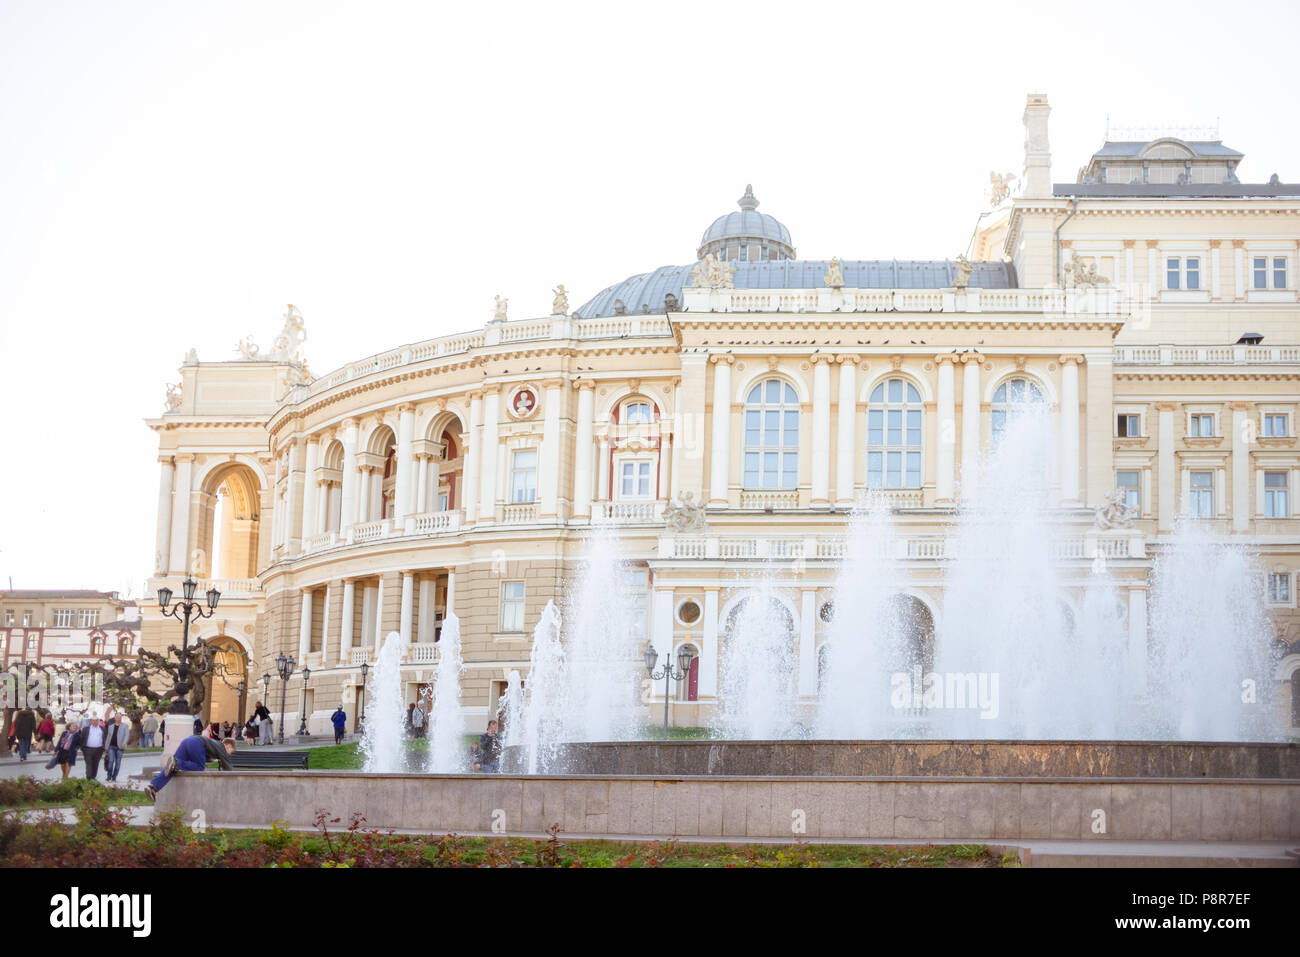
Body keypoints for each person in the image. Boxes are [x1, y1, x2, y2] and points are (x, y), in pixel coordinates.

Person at [144, 734, 236, 801]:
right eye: (232, 751)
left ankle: (153, 787)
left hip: (187, 741)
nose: (230, 754)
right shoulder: (222, 748)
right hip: (196, 743)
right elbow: (228, 769)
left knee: (172, 768)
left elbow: (205, 755)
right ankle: (176, 763)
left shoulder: (214, 745)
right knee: (199, 767)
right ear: (228, 746)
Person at [104, 713, 130, 782]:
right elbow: (108, 737)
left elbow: (126, 735)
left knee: (118, 763)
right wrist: (106, 747)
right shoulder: (111, 726)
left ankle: (114, 777)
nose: (118, 718)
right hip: (111, 746)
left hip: (120, 747)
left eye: (120, 717)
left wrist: (124, 743)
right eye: (117, 717)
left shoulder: (125, 726)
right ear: (115, 718)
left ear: (121, 718)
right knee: (111, 761)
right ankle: (109, 777)